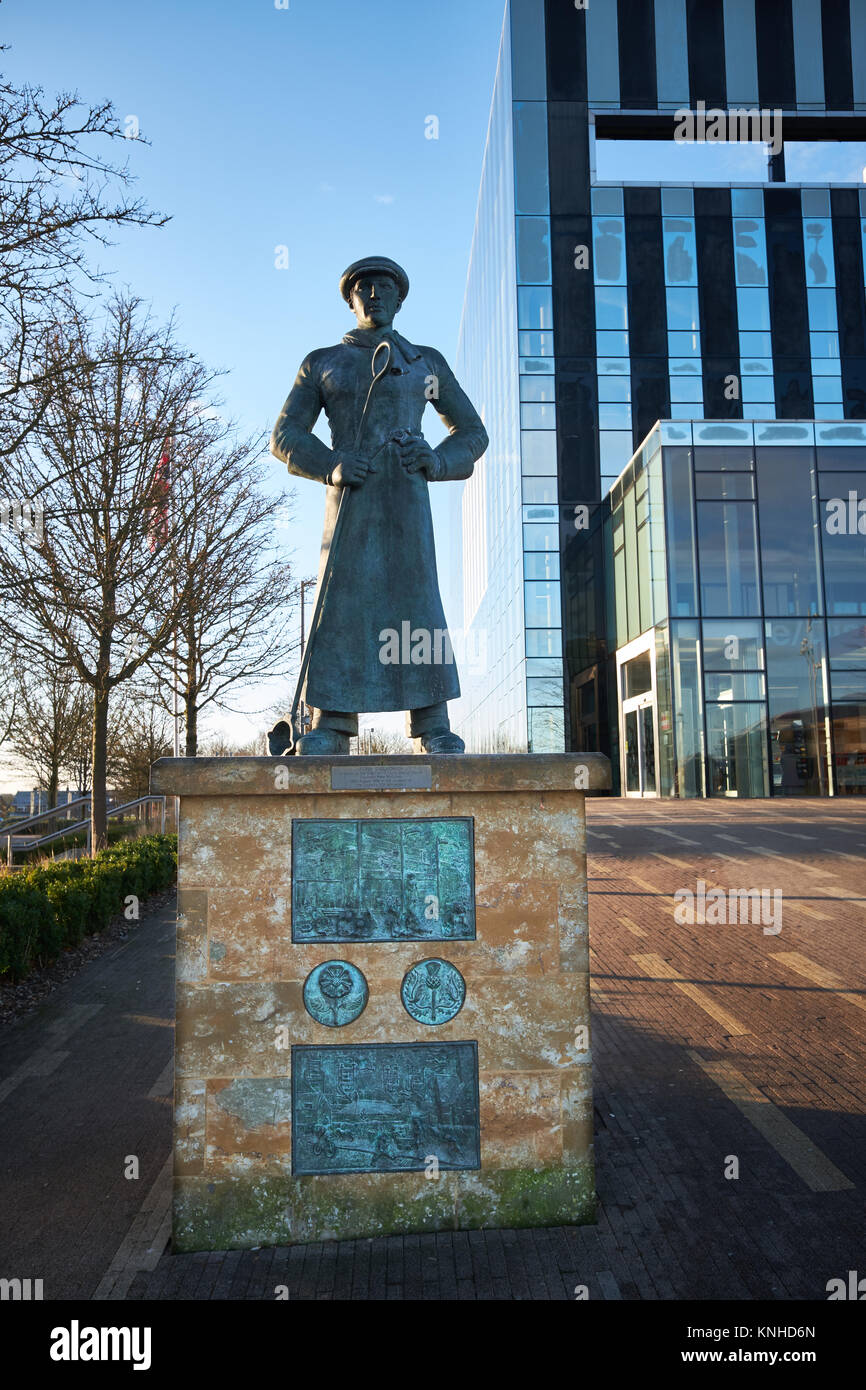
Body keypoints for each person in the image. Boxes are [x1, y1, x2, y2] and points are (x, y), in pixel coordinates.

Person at [267, 256, 488, 756]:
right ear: (351, 299)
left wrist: (436, 459)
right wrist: (330, 463)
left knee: (417, 602)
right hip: (350, 500)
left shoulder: (424, 362)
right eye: (364, 287)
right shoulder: (322, 362)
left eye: (385, 287)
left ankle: (433, 721)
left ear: (399, 299)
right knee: (341, 605)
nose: (375, 294)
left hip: (406, 502)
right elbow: (284, 436)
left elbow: (473, 432)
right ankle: (332, 722)